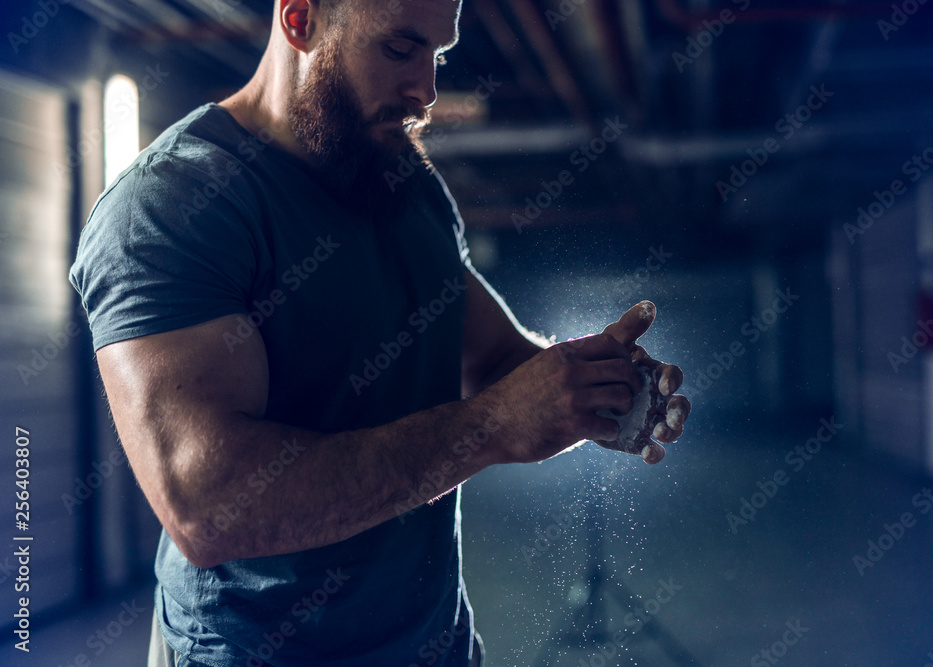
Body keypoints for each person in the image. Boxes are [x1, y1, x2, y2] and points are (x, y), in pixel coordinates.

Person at [68, 0, 691, 665]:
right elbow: (212, 507)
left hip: (436, 644)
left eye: (437, 55)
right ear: (301, 20)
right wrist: (492, 426)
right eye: (400, 49)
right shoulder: (169, 206)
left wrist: (590, 386)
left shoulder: (403, 182)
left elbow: (496, 364)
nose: (425, 89)